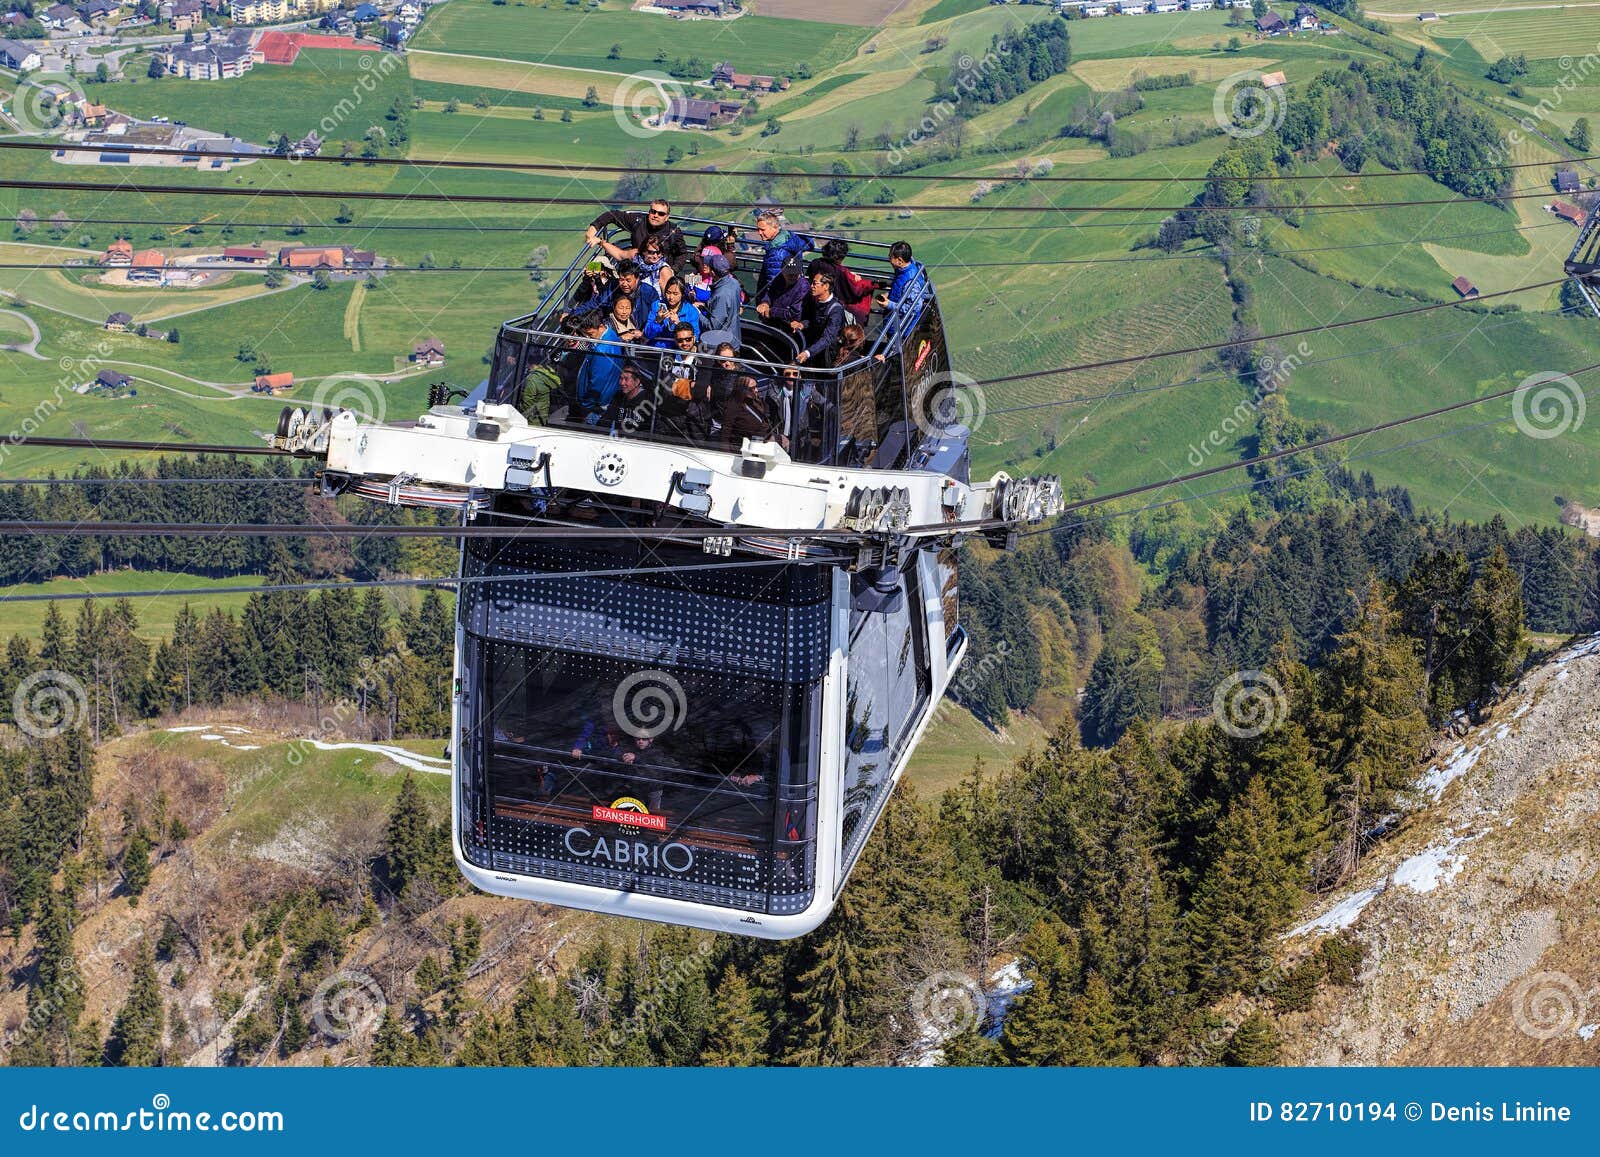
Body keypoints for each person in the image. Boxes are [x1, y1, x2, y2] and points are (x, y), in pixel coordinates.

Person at [587, 200, 686, 266]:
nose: (656, 215)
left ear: (667, 217)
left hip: (661, 274)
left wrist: (673, 270)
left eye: (661, 214)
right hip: (635, 269)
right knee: (596, 265)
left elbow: (681, 254)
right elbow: (612, 215)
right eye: (653, 211)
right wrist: (592, 230)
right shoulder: (638, 222)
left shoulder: (674, 232)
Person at [573, 313, 623, 421]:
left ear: (600, 327)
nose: (588, 338)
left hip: (595, 407)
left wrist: (585, 405)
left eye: (590, 334)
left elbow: (597, 384)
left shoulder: (602, 350)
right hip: (603, 400)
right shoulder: (610, 333)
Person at [751, 209, 811, 294]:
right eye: (758, 229)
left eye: (762, 229)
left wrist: (766, 298)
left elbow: (773, 283)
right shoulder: (790, 238)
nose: (759, 233)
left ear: (774, 227)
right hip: (795, 291)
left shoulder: (776, 253)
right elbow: (808, 244)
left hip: (780, 296)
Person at [794, 268, 846, 367]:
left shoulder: (836, 311)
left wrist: (808, 353)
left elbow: (828, 338)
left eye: (815, 283)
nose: (811, 286)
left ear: (826, 286)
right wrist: (801, 325)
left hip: (828, 355)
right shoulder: (817, 302)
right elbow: (813, 321)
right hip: (815, 348)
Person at [816, 238, 874, 323]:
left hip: (818, 301)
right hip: (835, 304)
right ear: (840, 257)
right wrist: (873, 284)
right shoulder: (841, 271)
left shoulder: (816, 263)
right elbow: (856, 290)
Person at [641, 277, 701, 347]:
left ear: (682, 294)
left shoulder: (691, 311)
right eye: (668, 293)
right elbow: (648, 334)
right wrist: (657, 321)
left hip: (679, 349)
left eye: (675, 294)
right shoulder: (657, 306)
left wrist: (679, 324)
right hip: (657, 348)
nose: (671, 297)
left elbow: (695, 337)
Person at [721, 374, 775, 450]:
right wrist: (726, 453)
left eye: (756, 387)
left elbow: (764, 420)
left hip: (763, 440)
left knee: (784, 440)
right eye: (753, 388)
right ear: (743, 389)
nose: (756, 390)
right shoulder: (733, 405)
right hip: (745, 447)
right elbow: (725, 433)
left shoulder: (753, 401)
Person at [702, 253, 743, 349]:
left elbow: (713, 326)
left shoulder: (721, 294)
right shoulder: (735, 283)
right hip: (734, 341)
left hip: (723, 347)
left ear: (713, 272)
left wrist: (697, 313)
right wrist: (705, 305)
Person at [754, 255, 808, 327]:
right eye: (789, 273)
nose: (792, 276)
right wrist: (765, 303)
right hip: (772, 322)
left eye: (795, 273)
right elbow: (770, 293)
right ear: (782, 271)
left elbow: (794, 313)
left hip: (789, 326)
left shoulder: (803, 287)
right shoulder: (779, 278)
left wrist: (771, 311)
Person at [597, 363, 651, 435]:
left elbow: (654, 430)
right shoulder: (618, 396)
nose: (622, 383)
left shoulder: (648, 399)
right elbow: (606, 420)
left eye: (626, 379)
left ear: (637, 382)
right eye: (621, 378)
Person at [880, 240, 927, 312]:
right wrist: (888, 295)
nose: (889, 259)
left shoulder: (911, 281)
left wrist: (889, 305)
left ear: (900, 260)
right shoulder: (902, 270)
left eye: (890, 257)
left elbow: (915, 308)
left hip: (899, 318)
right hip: (895, 315)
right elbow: (901, 291)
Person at [612, 260, 660, 324]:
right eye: (621, 280)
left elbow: (655, 315)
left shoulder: (649, 292)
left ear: (637, 279)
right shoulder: (613, 288)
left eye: (628, 280)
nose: (624, 284)